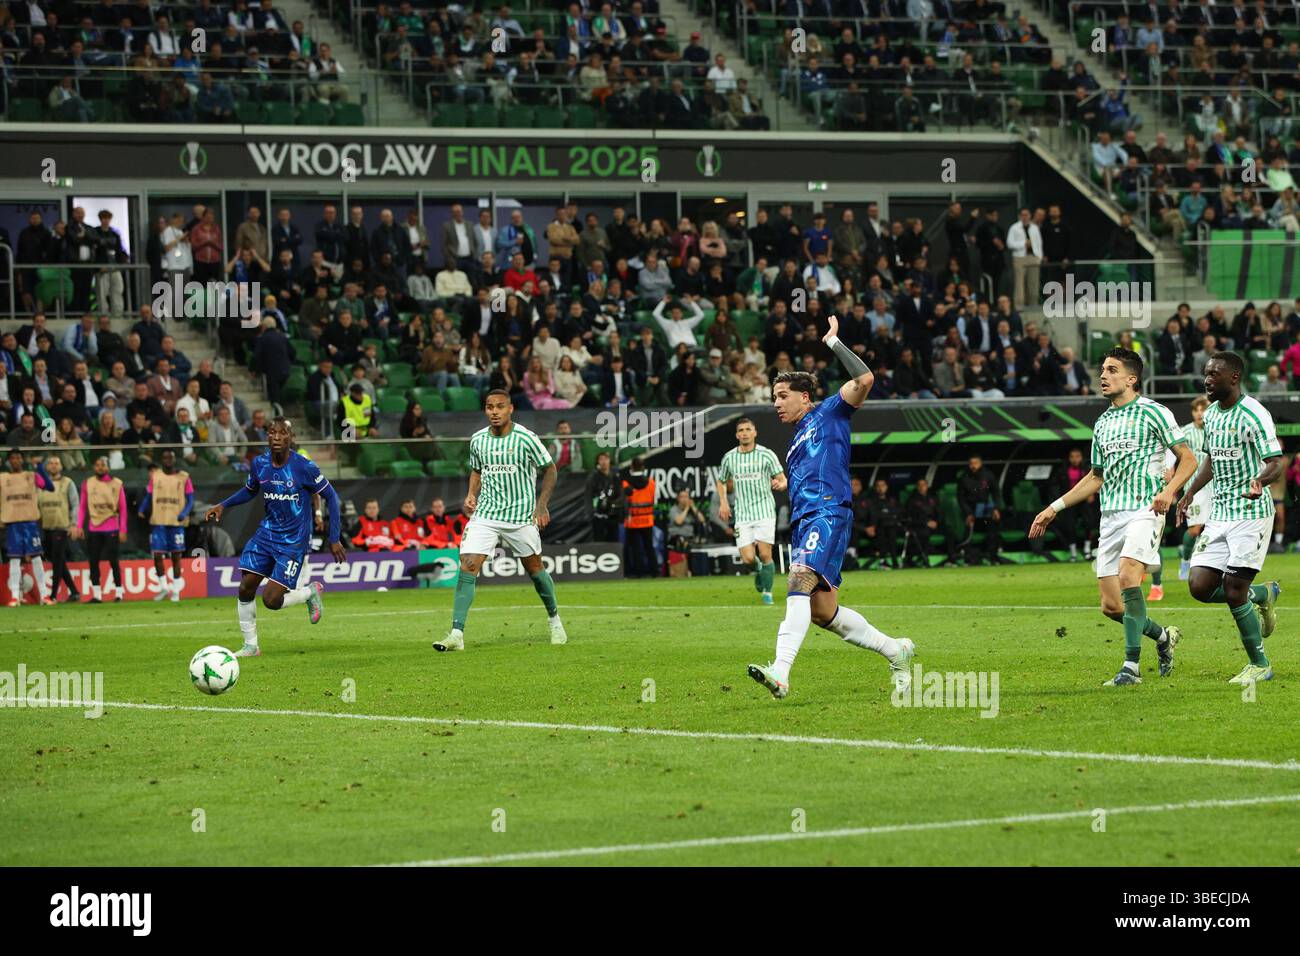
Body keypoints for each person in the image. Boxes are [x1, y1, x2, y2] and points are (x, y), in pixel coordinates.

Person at [747, 315, 915, 700]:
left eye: (782, 396)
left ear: (804, 397)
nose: (776, 404)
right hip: (806, 519)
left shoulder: (830, 411)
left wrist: (834, 344)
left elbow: (865, 380)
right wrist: (785, 481)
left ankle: (781, 672)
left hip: (828, 512)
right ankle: (896, 650)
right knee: (823, 612)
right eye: (773, 397)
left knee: (798, 583)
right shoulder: (793, 444)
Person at [1030, 348, 1198, 686]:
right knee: (1111, 606)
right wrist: (1053, 508)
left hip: (1145, 509)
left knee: (1128, 576)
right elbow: (1096, 476)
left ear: (1131, 378)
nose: (1103, 376)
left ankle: (1131, 668)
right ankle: (1164, 638)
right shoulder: (1103, 422)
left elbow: (1188, 458)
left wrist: (1169, 492)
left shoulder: (1155, 412)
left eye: (1111, 370)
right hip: (1111, 515)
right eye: (1102, 370)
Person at [1177, 352, 1284, 685]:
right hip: (1219, 513)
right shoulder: (1210, 415)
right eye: (1206, 374)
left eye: (1214, 374)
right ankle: (1263, 596)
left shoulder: (1255, 414)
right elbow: (1212, 459)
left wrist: (1260, 481)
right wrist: (1191, 491)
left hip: (1251, 514)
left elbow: (1275, 461)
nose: (1207, 380)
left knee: (1235, 590)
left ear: (1234, 377)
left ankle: (1260, 664)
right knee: (1199, 586)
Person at [433, 390, 567, 651]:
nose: (494, 411)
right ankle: (456, 634)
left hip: (520, 516)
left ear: (511, 409)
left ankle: (555, 621)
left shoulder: (526, 438)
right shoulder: (478, 440)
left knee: (535, 570)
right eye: (489, 407)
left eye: (500, 407)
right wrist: (472, 494)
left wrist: (541, 505)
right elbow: (476, 469)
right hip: (486, 515)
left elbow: (550, 469)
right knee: (468, 564)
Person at [205, 418, 346, 657]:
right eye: (272, 433)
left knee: (271, 600)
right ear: (267, 436)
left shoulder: (304, 467)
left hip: (293, 542)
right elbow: (250, 490)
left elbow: (332, 497)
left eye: (282, 433)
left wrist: (334, 538)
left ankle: (309, 592)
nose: (277, 437)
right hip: (266, 536)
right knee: (245, 588)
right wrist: (223, 505)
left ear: (290, 437)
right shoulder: (259, 464)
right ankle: (251, 646)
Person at [716, 417, 786, 605]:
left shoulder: (766, 454)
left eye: (748, 429)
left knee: (764, 554)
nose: (745, 433)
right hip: (743, 514)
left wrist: (781, 484)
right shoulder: (730, 457)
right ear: (737, 435)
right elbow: (721, 480)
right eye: (741, 430)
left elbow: (782, 478)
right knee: (748, 558)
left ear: (755, 432)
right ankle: (758, 571)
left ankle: (768, 593)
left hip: (764, 512)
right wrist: (723, 502)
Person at [138, 449, 194, 602]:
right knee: (157, 555)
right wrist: (142, 509)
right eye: (165, 457)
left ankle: (175, 590)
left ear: (174, 459)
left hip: (176, 523)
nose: (168, 460)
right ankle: (163, 587)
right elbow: (149, 496)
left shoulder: (184, 477)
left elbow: (190, 499)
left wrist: (184, 513)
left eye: (171, 457)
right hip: (159, 521)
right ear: (162, 460)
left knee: (176, 556)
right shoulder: (155, 476)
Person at [2, 449, 55, 606]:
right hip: (12, 523)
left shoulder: (31, 476)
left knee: (37, 558)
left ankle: (44, 596)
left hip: (30, 523)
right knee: (14, 560)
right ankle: (14, 597)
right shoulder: (3, 478)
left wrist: (39, 467)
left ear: (22, 460)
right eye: (13, 458)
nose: (16, 460)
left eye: (19, 457)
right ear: (9, 461)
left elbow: (49, 486)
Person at [74, 455, 129, 603]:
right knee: (93, 561)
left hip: (111, 526)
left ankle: (119, 593)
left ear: (108, 467)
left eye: (103, 465)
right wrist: (79, 526)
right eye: (98, 465)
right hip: (94, 527)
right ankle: (97, 594)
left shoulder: (117, 484)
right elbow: (82, 507)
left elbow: (123, 509)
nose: (100, 467)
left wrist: (123, 529)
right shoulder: (88, 484)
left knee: (113, 560)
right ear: (94, 467)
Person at [1172, 396, 1212, 581]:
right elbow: (1171, 459)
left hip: (1216, 486)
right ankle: (1186, 561)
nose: (1199, 413)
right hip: (1194, 489)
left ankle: (1213, 566)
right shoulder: (1185, 432)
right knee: (1195, 529)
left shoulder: (1216, 429)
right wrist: (1172, 486)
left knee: (1215, 528)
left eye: (1203, 409)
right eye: (1196, 410)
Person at [36, 454, 80, 602]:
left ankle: (53, 595)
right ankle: (74, 591)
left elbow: (75, 505)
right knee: (58, 560)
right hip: (46, 527)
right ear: (47, 467)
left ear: (61, 466)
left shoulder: (68, 483)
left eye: (57, 463)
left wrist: (74, 524)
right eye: (51, 463)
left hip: (61, 526)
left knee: (57, 560)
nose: (54, 466)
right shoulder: (41, 486)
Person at [622, 456, 657, 577]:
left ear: (631, 467)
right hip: (647, 520)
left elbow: (624, 501)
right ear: (643, 467)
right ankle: (655, 572)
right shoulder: (651, 483)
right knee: (649, 547)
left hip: (632, 521)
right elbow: (653, 500)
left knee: (635, 549)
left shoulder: (626, 483)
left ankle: (638, 573)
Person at [587, 451, 623, 542]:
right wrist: (591, 512)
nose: (603, 462)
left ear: (610, 461)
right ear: (597, 462)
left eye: (606, 459)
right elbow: (588, 495)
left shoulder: (615, 477)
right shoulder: (593, 477)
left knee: (614, 540)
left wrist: (616, 507)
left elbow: (620, 494)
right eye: (601, 459)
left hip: (612, 515)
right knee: (599, 541)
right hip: (598, 516)